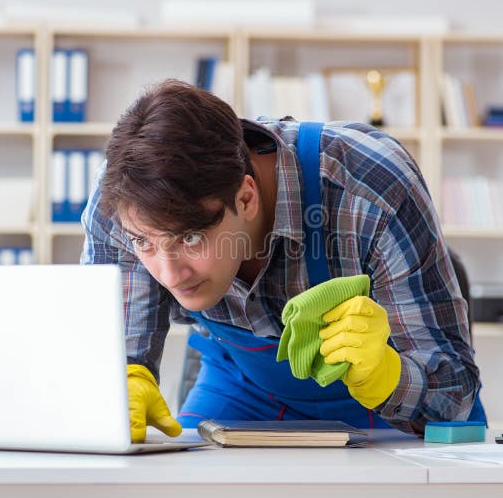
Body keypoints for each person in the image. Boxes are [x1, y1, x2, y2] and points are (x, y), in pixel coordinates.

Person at [81, 79, 481, 442]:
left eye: (190, 238)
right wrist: (120, 380)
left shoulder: (369, 188)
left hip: (377, 401)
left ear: (246, 197)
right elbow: (116, 360)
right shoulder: (121, 201)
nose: (169, 274)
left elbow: (454, 394)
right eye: (144, 243)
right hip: (240, 386)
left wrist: (386, 375)